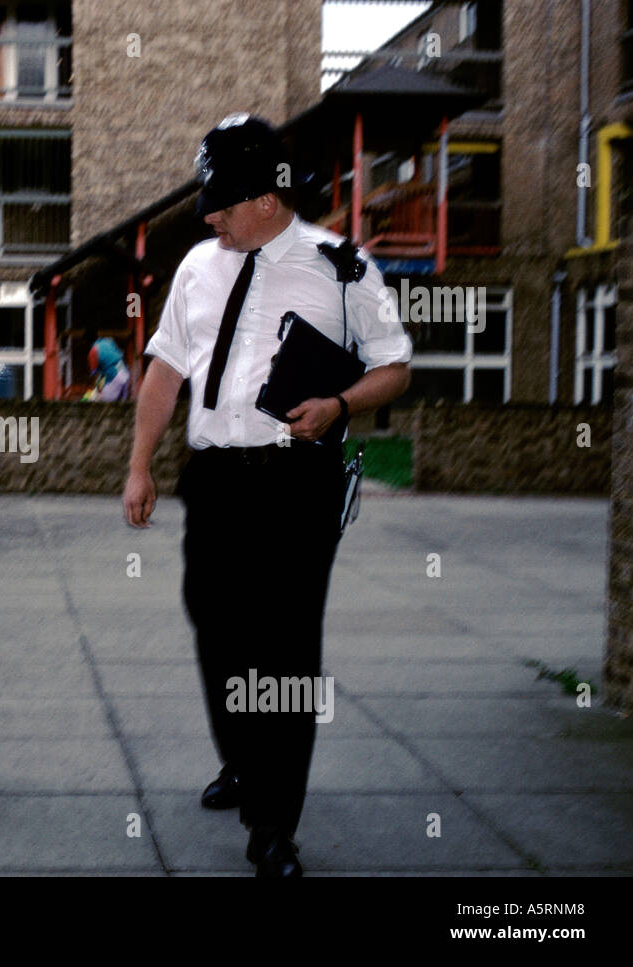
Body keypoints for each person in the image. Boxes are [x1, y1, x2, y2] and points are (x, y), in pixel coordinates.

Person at [121, 114, 412, 877]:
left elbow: (394, 367)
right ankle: (246, 758)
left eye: (220, 202)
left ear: (263, 197)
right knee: (215, 628)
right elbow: (164, 372)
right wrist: (139, 464)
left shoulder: (341, 266)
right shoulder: (195, 267)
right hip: (215, 479)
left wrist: (341, 406)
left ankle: (275, 824)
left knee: (285, 648)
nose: (210, 216)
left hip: (296, 481)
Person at [84, 335, 132, 402]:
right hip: (125, 374)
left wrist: (95, 392)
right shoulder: (108, 341)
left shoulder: (93, 351)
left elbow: (94, 373)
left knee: (96, 400)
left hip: (116, 378)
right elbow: (104, 373)